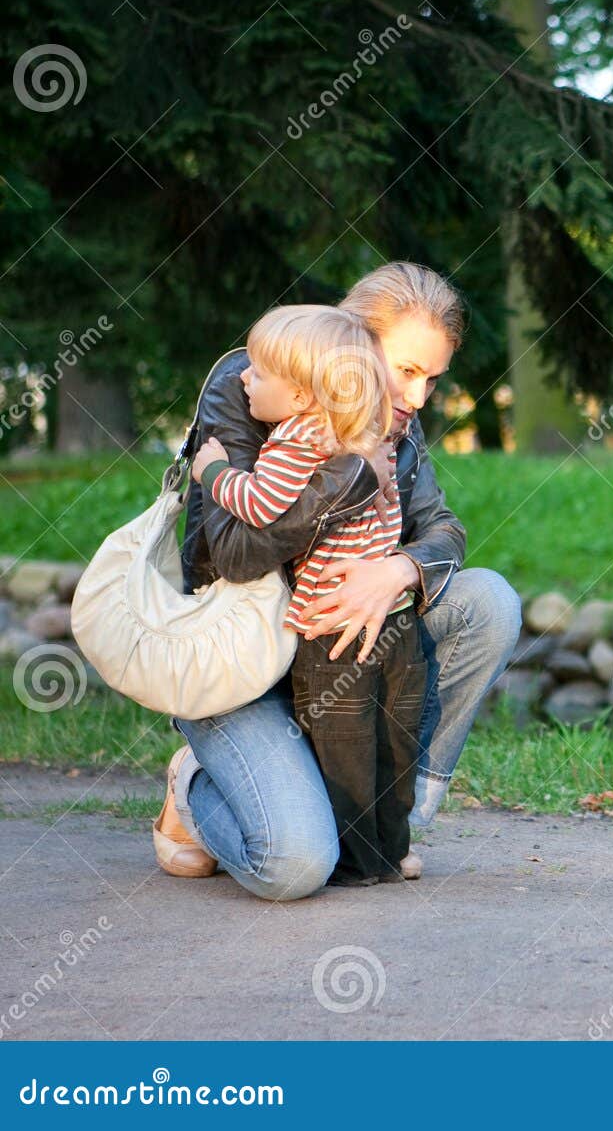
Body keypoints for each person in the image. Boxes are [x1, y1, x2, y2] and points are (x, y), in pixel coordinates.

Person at [151, 263, 522, 900]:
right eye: (406, 370)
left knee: (488, 601)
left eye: (433, 378)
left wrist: (397, 571)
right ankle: (196, 786)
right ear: (352, 341)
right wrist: (345, 480)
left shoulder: (397, 420)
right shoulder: (250, 382)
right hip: (244, 667)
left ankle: (392, 825)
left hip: (340, 653)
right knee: (296, 868)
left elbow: (443, 530)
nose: (419, 396)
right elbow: (235, 553)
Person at [192, 305, 424, 886]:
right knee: (388, 742)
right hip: (389, 623)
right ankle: (384, 855)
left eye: (260, 375)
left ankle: (360, 861)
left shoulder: (295, 439)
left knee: (345, 744)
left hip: (328, 624)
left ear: (299, 397)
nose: (243, 378)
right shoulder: (366, 431)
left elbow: (259, 506)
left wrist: (213, 473)